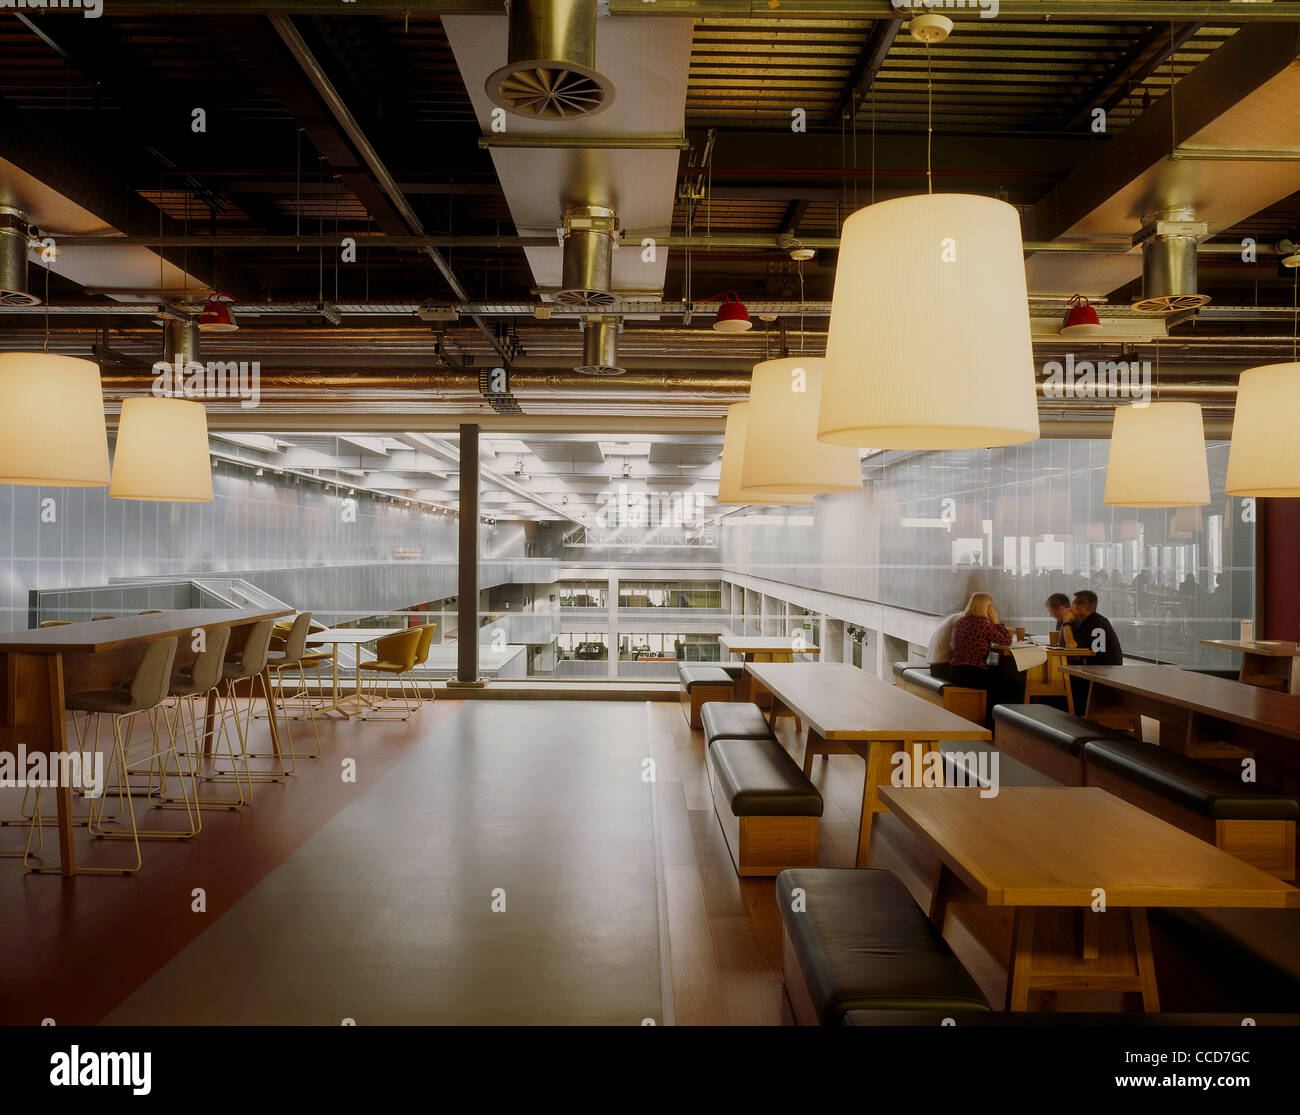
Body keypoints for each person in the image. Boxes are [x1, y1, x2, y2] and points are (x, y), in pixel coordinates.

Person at [948, 592, 1014, 719]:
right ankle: (995, 721)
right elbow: (1006, 640)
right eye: (991, 607)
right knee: (1009, 685)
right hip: (971, 673)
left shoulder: (962, 621)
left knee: (999, 673)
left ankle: (991, 718)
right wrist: (996, 621)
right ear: (986, 608)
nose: (993, 610)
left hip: (955, 671)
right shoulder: (983, 624)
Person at [1064, 589, 1123, 713]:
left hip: (1101, 677)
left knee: (1061, 681)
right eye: (1074, 603)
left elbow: (1072, 649)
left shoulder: (1094, 624)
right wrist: (1066, 623)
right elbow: (1062, 643)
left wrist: (1066, 624)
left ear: (1091, 606)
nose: (1075, 607)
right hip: (1099, 672)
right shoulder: (1091, 621)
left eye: (1079, 603)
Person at [925, 610, 964, 680]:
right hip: (941, 667)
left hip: (935, 665)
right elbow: (954, 646)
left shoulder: (955, 617)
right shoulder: (961, 620)